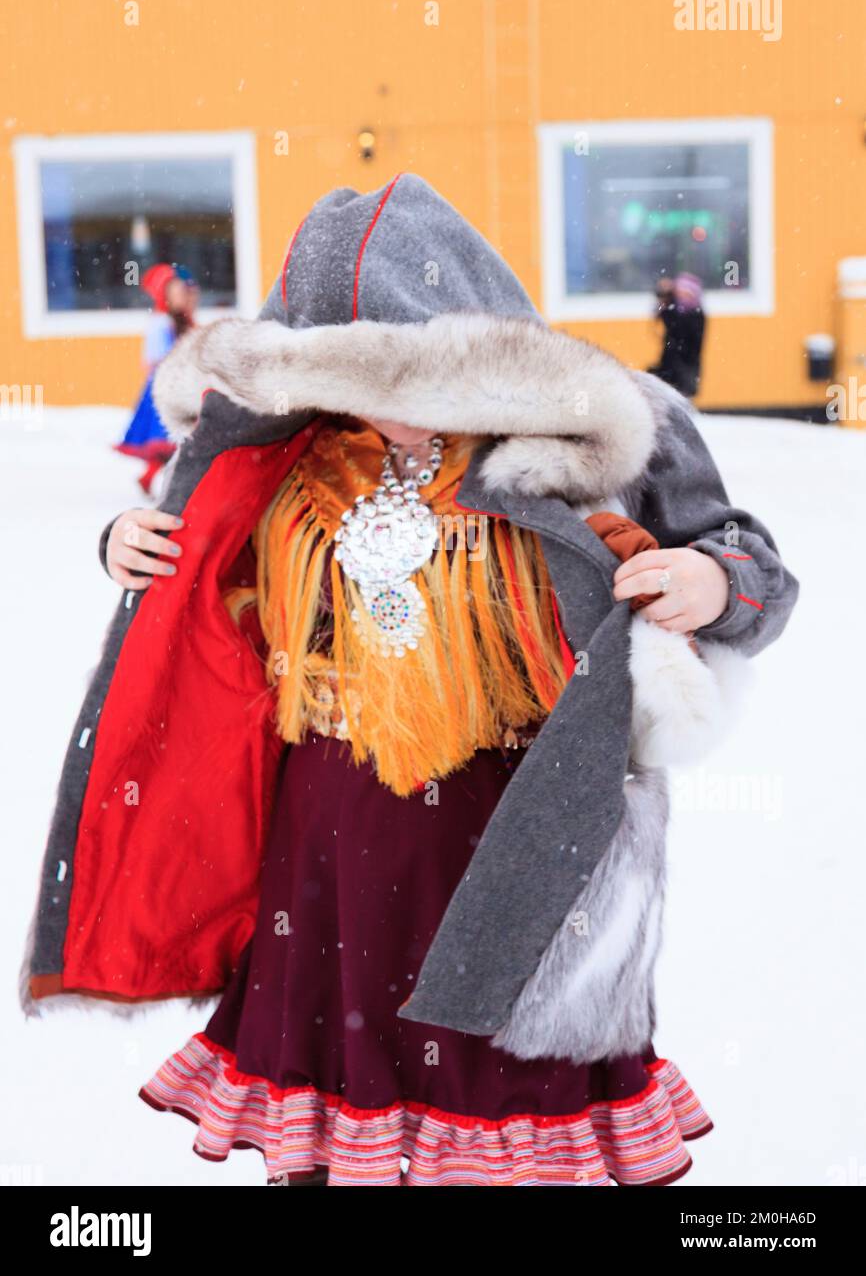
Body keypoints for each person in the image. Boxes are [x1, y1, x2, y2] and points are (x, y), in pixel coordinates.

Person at [22, 175, 797, 1187]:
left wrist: (712, 580)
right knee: (336, 1132)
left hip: (509, 832)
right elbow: (199, 566)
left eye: (403, 372)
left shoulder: (598, 422)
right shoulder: (281, 439)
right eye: (346, 376)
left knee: (503, 1122)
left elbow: (753, 566)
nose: (378, 405)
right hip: (324, 845)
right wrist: (123, 541)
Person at [115, 262, 199, 494]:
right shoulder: (161, 324)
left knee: (175, 441)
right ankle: (160, 480)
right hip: (164, 389)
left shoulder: (184, 322)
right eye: (181, 292)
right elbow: (155, 358)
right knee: (168, 439)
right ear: (166, 295)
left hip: (180, 385)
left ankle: (153, 478)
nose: (188, 297)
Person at [650, 272, 706, 400]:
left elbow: (681, 337)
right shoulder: (677, 311)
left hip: (682, 369)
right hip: (676, 368)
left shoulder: (690, 315)